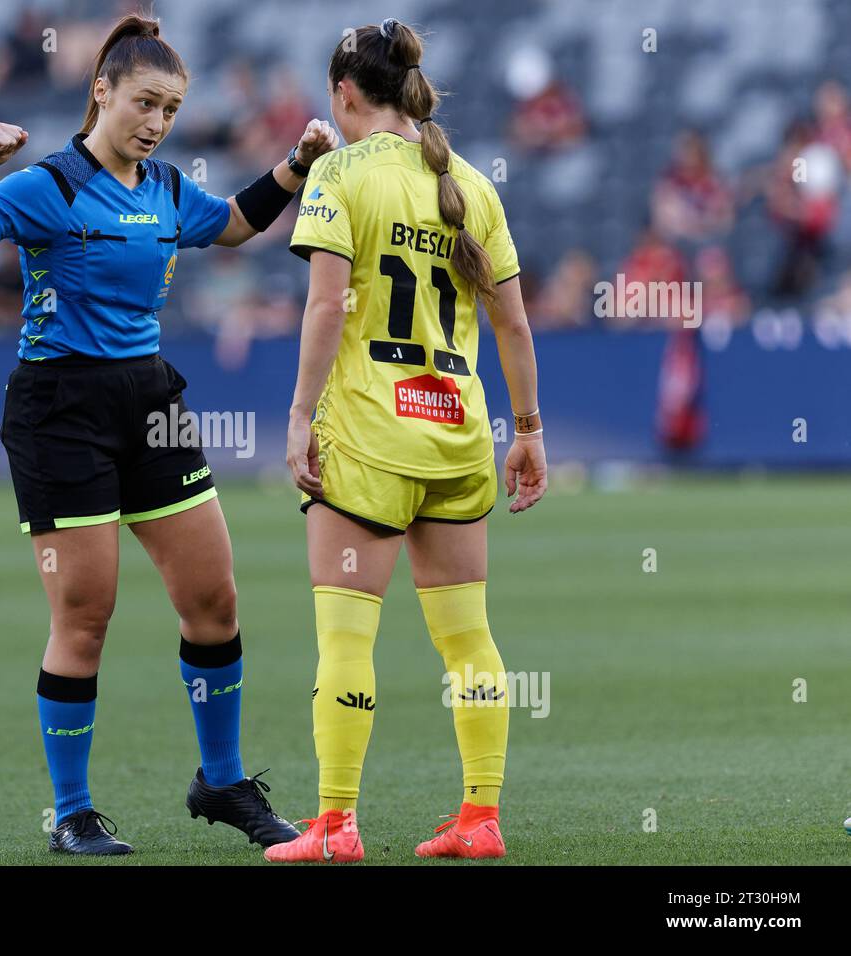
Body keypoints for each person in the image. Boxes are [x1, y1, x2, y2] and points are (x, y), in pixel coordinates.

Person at [0, 13, 339, 856]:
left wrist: (297, 163)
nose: (156, 122)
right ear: (101, 91)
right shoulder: (48, 185)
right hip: (58, 409)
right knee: (86, 613)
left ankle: (221, 781)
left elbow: (233, 224)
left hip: (149, 398)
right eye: (144, 101)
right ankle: (71, 813)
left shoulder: (167, 189)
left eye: (171, 109)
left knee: (214, 599)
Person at [266, 18, 547, 864]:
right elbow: (515, 325)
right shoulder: (469, 185)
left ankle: (335, 826)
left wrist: (297, 417)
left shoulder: (338, 176)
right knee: (469, 638)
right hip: (457, 436)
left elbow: (325, 307)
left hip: (369, 441)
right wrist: (528, 430)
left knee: (348, 638)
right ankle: (480, 817)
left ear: (343, 94)